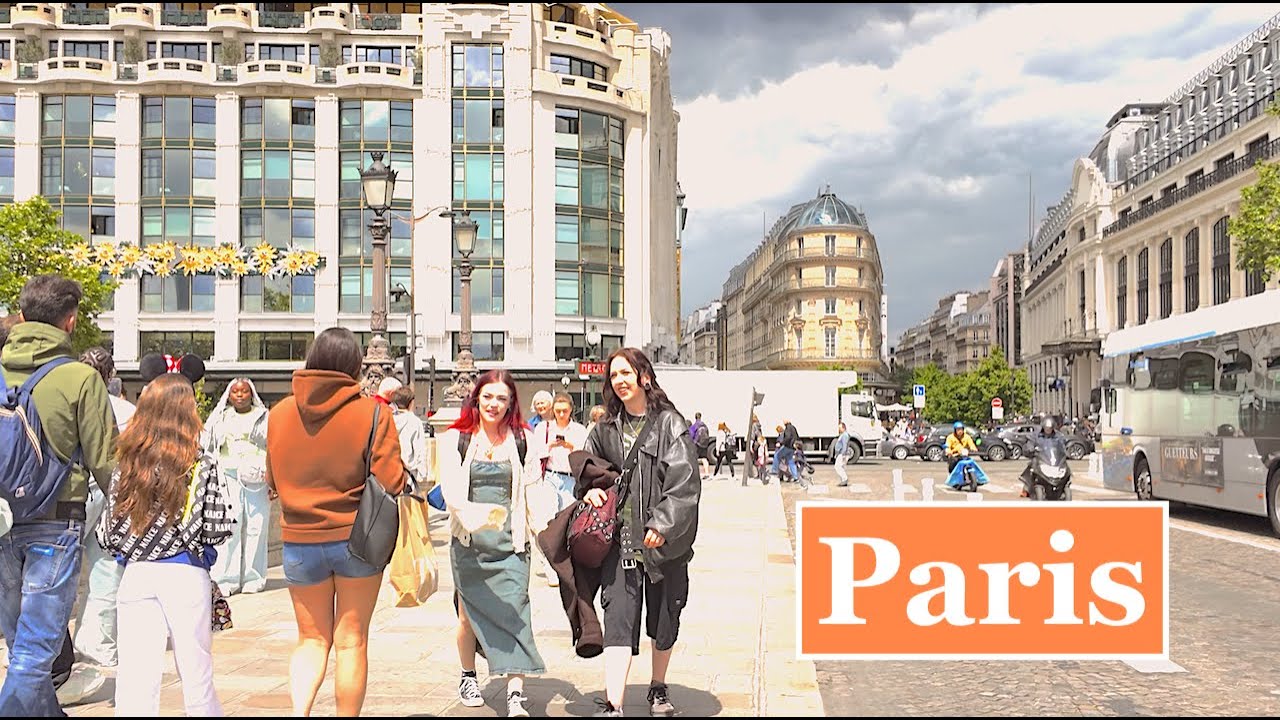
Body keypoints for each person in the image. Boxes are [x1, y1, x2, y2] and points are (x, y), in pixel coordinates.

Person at [265, 327, 407, 717]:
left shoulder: (278, 414)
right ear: (355, 366)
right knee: (351, 640)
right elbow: (392, 479)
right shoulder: (373, 412)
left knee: (310, 639)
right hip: (356, 541)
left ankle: (300, 713)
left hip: (298, 540)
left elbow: (272, 480)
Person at [0, 276, 118, 716]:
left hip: (2, 521)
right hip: (56, 520)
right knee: (37, 649)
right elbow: (107, 463)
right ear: (69, 322)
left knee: (20, 643)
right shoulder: (80, 378)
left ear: (24, 317)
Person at [98, 373, 232, 716]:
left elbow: (106, 531)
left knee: (135, 676)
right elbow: (216, 526)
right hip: (184, 571)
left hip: (136, 573)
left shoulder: (126, 463)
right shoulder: (199, 463)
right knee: (196, 671)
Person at [583, 348, 701, 718]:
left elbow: (684, 482)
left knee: (664, 620)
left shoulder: (670, 424)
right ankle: (614, 704)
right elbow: (588, 468)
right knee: (617, 620)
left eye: (625, 372)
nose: (618, 380)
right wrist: (588, 489)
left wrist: (662, 525)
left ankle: (657, 687)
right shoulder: (604, 429)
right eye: (613, 374)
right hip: (621, 544)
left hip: (662, 546)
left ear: (643, 376)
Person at [439, 369, 550, 718]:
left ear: (511, 403)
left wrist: (546, 533)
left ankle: (515, 692)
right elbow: (451, 491)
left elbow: (533, 489)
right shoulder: (454, 438)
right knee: (467, 617)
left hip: (512, 542)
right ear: (477, 398)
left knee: (516, 611)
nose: (494, 404)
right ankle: (468, 674)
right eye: (488, 396)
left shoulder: (523, 440)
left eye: (501, 398)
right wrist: (476, 516)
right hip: (469, 541)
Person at [203, 378, 270, 596]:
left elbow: (274, 447)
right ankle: (226, 578)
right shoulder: (221, 418)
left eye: (244, 392)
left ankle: (254, 577)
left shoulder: (264, 417)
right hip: (228, 477)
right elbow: (208, 446)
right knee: (229, 526)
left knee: (256, 527)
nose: (240, 396)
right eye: (235, 392)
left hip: (257, 479)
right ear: (229, 395)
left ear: (251, 394)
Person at [535, 392, 589, 586]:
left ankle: (568, 563)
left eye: (564, 411)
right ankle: (551, 565)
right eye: (557, 411)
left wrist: (569, 445)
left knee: (568, 523)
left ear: (571, 410)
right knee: (548, 520)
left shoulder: (579, 430)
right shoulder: (544, 428)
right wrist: (550, 446)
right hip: (550, 476)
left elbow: (584, 454)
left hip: (570, 479)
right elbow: (536, 453)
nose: (561, 414)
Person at [389, 386, 429, 482]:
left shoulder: (388, 419)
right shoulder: (414, 421)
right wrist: (422, 473)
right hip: (408, 473)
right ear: (410, 403)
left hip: (390, 470)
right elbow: (420, 449)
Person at [1019, 416, 1066, 497]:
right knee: (1032, 466)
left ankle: (1064, 485)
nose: (1048, 430)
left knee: (1065, 467)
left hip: (1053, 459)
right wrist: (1030, 448)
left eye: (1050, 428)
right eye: (1047, 428)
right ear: (1043, 427)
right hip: (1041, 458)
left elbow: (1062, 444)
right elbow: (1030, 443)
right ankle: (1027, 487)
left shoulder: (1058, 436)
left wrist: (1064, 450)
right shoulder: (1036, 436)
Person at [831, 422, 851, 488]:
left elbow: (844, 445)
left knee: (838, 466)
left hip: (842, 453)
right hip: (840, 453)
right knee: (840, 467)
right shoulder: (843, 435)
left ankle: (844, 479)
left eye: (840, 428)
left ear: (843, 428)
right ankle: (843, 480)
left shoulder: (845, 435)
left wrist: (843, 455)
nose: (839, 429)